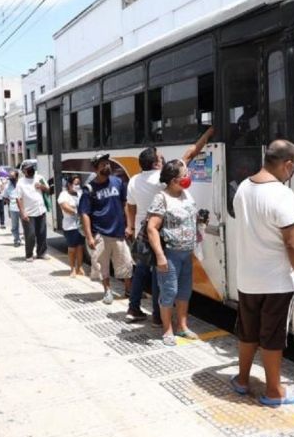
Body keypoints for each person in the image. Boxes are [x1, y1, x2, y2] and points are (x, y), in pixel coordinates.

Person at [231, 139, 294, 406]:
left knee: (248, 332)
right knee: (272, 337)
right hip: (276, 282)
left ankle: (242, 380)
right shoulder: (284, 196)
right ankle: (274, 392)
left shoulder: (243, 187)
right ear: (287, 164)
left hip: (247, 279)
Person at [126, 126, 214, 325]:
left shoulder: (133, 181)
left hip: (143, 235)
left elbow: (129, 206)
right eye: (161, 158)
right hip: (161, 234)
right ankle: (159, 316)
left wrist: (130, 227)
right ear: (157, 163)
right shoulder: (163, 179)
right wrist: (208, 134)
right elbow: (191, 152)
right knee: (161, 278)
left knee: (140, 271)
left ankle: (133, 307)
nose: (163, 159)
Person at [146, 160, 205, 346]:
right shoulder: (161, 198)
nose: (188, 177)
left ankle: (182, 326)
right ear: (173, 180)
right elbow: (152, 228)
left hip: (187, 253)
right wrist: (160, 256)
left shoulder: (186, 194)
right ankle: (167, 330)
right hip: (170, 254)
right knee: (169, 292)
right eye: (184, 175)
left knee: (184, 292)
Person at [79, 153, 133, 305]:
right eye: (103, 164)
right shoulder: (89, 189)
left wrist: (129, 226)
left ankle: (129, 290)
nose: (107, 166)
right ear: (96, 169)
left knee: (126, 263)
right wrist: (89, 237)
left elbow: (125, 204)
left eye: (107, 163)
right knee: (102, 265)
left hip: (118, 232)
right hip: (100, 233)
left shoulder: (118, 182)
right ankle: (107, 291)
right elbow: (85, 214)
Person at [16, 161, 49, 262]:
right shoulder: (20, 182)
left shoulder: (39, 178)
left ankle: (41, 253)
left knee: (42, 233)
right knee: (30, 235)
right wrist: (22, 212)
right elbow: (18, 198)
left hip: (40, 210)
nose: (31, 170)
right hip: (28, 213)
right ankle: (29, 254)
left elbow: (48, 189)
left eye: (32, 168)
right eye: (28, 169)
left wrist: (41, 187)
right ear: (24, 171)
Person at [57, 175, 85, 277]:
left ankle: (79, 267)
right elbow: (65, 207)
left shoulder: (80, 193)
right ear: (69, 184)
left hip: (81, 226)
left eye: (79, 184)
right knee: (72, 248)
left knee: (80, 247)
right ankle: (72, 268)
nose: (78, 186)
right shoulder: (63, 195)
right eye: (75, 183)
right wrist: (78, 211)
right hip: (70, 226)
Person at [4, 170, 22, 247]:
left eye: (12, 176)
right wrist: (9, 204)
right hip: (13, 208)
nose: (11, 178)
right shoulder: (7, 186)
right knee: (14, 226)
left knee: (27, 225)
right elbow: (5, 197)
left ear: (17, 176)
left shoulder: (22, 184)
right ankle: (17, 240)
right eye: (10, 177)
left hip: (23, 207)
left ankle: (29, 240)